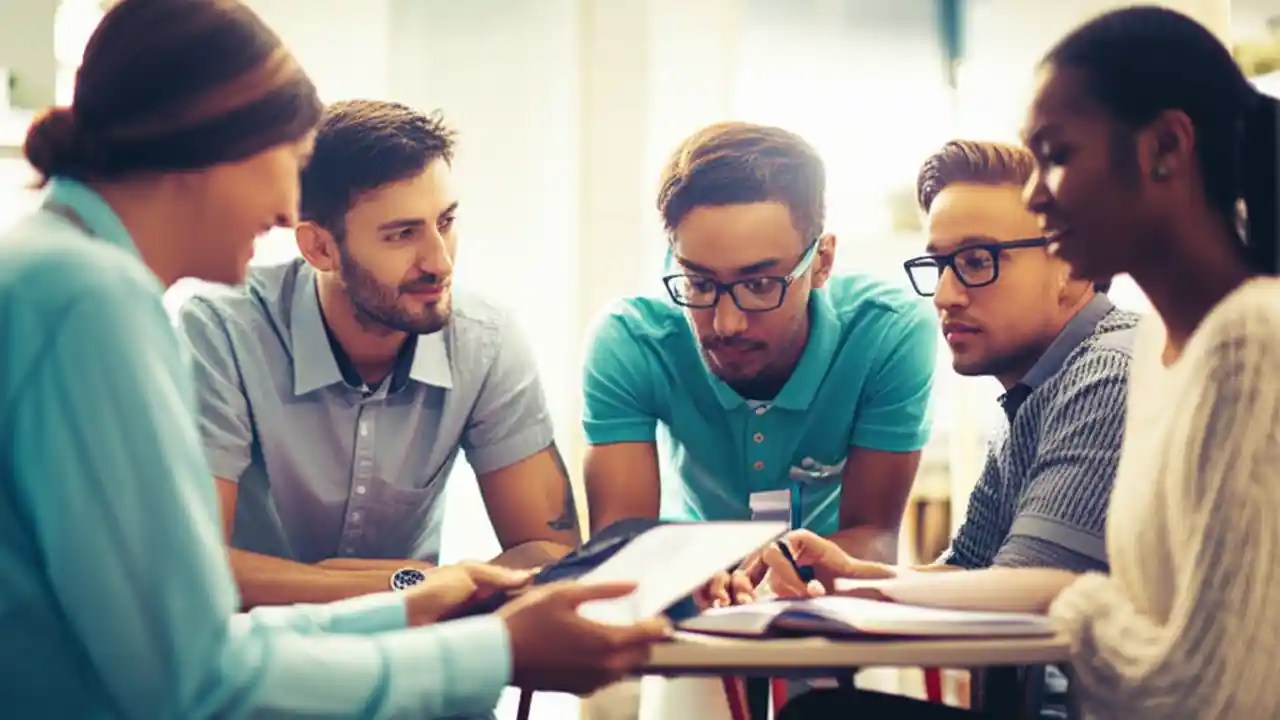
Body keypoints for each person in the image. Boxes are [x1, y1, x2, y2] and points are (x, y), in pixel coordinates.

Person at [0, 1, 666, 717]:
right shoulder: (92, 301)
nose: (289, 209)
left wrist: (404, 601)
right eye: (289, 163)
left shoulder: (54, 271)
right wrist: (493, 651)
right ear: (207, 151)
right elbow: (192, 676)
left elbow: (185, 641)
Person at [772, 7, 1280, 719]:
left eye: (1058, 154)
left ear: (1166, 146)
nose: (1040, 196)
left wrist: (1072, 602)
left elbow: (1220, 691)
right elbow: (987, 576)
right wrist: (861, 580)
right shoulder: (1161, 358)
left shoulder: (1249, 343)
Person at [177, 99, 579, 608]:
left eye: (446, 222)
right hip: (257, 666)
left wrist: (429, 585)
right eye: (403, 234)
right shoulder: (221, 333)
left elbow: (552, 557)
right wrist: (406, 584)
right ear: (320, 249)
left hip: (416, 668)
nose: (439, 261)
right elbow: (191, 565)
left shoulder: (486, 341)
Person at [582, 122, 937, 603]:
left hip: (827, 597)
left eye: (760, 285)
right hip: (692, 603)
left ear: (822, 262)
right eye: (700, 284)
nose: (727, 324)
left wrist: (787, 574)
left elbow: (873, 533)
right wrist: (683, 574)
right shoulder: (631, 340)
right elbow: (621, 548)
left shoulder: (886, 331)